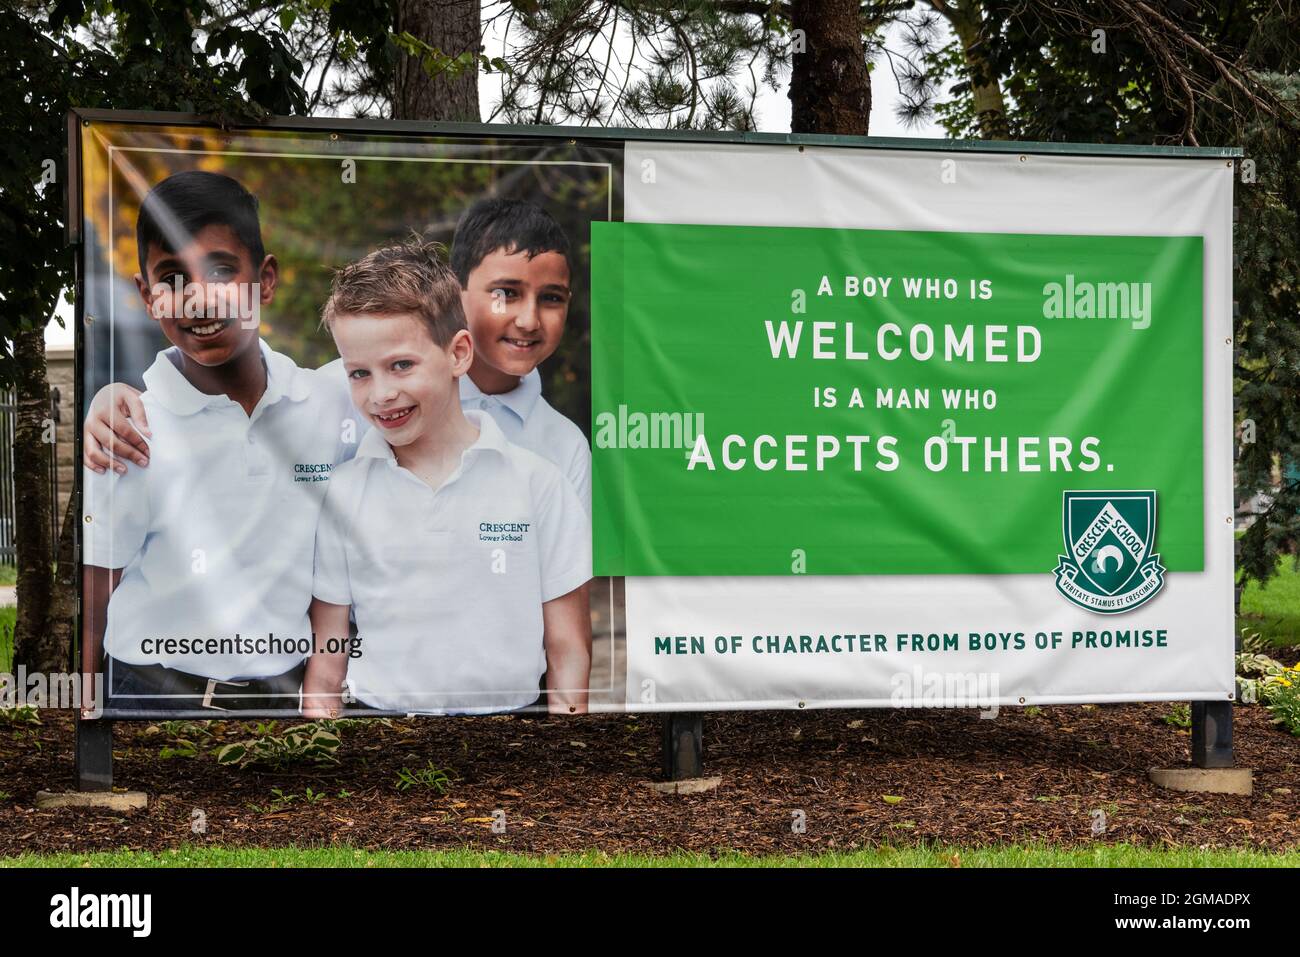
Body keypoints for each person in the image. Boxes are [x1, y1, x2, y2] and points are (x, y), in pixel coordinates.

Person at [82, 170, 359, 713]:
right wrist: (90, 718)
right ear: (147, 296)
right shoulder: (129, 427)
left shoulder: (329, 403)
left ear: (267, 279)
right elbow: (99, 580)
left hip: (281, 703)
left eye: (221, 270)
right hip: (148, 697)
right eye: (172, 278)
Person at [302, 238, 591, 716]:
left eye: (401, 365)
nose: (381, 394)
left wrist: (563, 755)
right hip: (379, 733)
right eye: (359, 373)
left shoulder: (538, 484)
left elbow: (569, 649)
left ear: (458, 354)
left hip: (513, 733)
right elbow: (328, 656)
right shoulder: (342, 494)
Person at [451, 198, 591, 512]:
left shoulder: (566, 447)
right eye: (506, 293)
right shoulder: (398, 401)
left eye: (551, 298)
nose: (529, 320)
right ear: (455, 293)